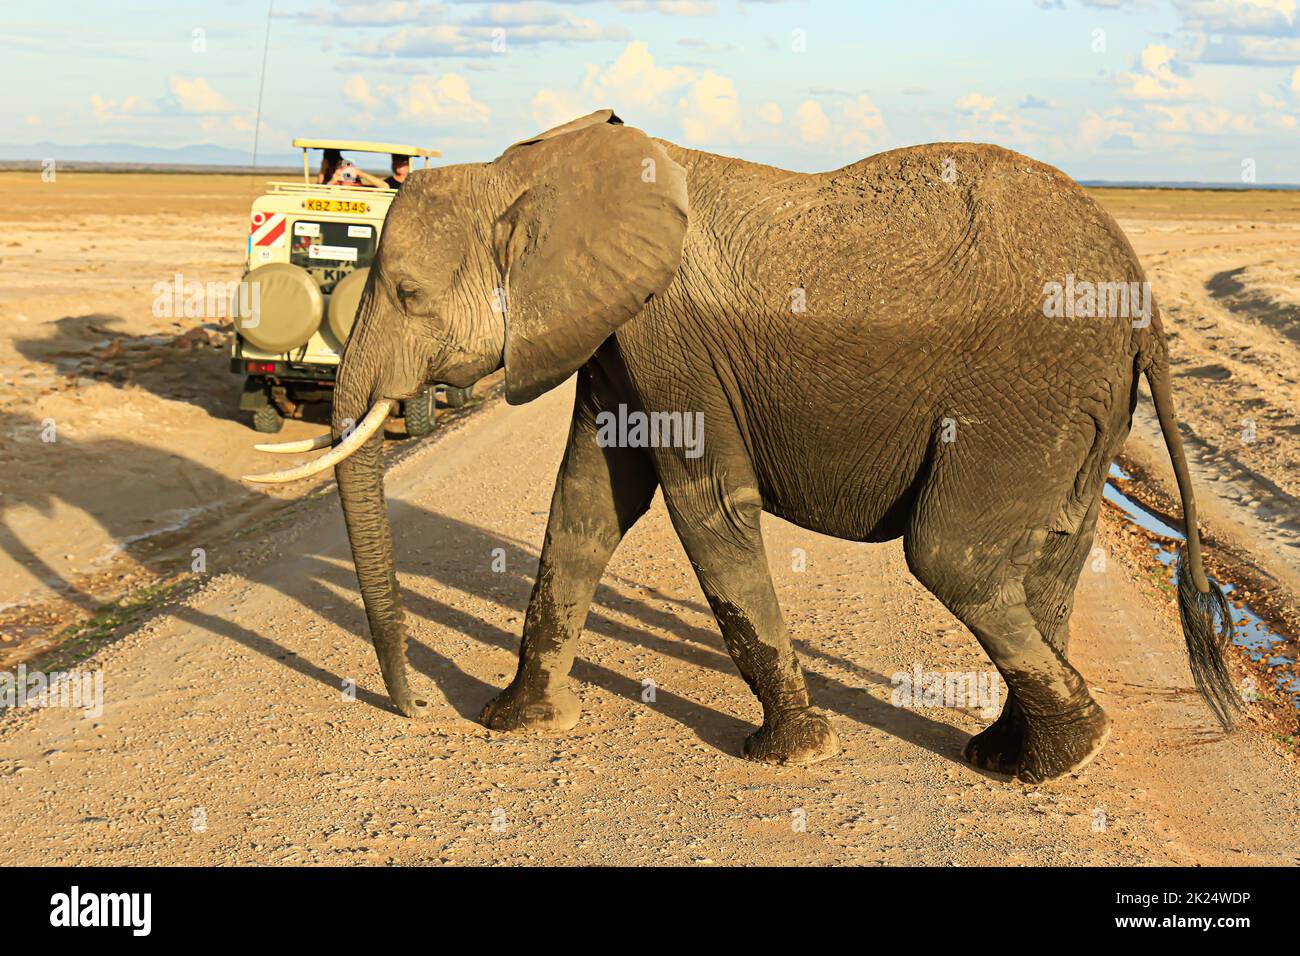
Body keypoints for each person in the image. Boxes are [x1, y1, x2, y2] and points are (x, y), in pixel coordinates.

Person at [317, 148, 387, 188]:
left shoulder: (348, 174)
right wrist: (324, 171)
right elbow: (319, 188)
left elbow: (384, 186)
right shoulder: (329, 176)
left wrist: (358, 173)